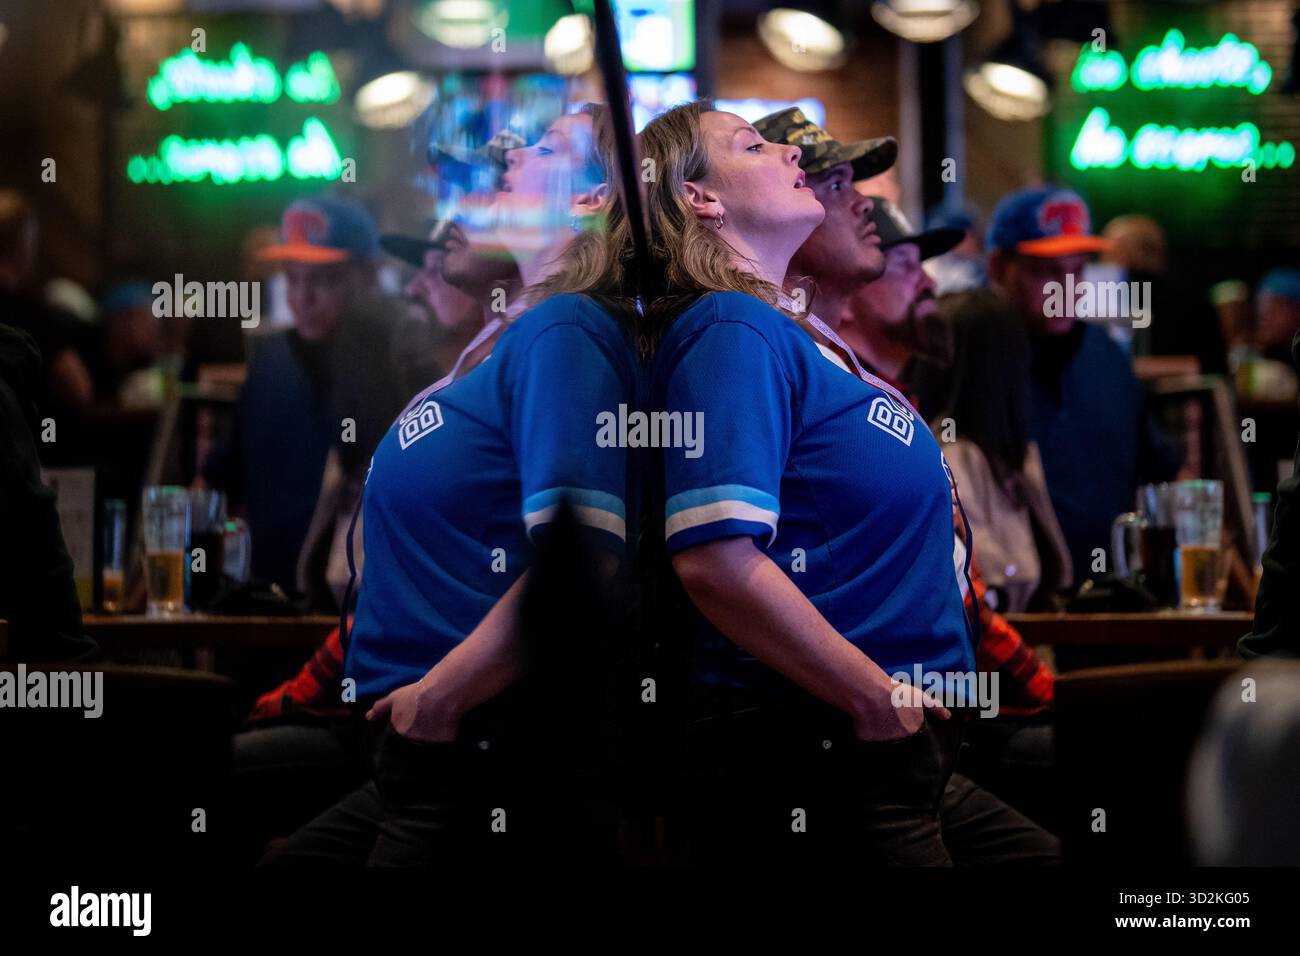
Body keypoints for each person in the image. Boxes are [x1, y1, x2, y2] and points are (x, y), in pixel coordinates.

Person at [646, 99, 1057, 864]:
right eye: (754, 145)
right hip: (820, 736)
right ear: (700, 197)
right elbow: (713, 557)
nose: (789, 157)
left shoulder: (783, 330)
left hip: (888, 738)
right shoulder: (732, 326)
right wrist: (875, 695)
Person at [262, 104, 637, 865]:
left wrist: (440, 698)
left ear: (591, 199)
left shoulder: (564, 330)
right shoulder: (519, 331)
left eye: (546, 145)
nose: (511, 154)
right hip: (428, 740)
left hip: (482, 745)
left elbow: (585, 558)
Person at [201, 197, 409, 594]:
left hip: (358, 605)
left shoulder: (397, 364)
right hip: (263, 604)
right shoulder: (271, 360)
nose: (303, 297)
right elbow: (223, 480)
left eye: (324, 279)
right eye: (292, 279)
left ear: (368, 276)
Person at [988, 185, 1180, 587]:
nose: (1067, 289)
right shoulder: (970, 362)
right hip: (1014, 611)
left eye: (1077, 271)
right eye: (1047, 272)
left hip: (1113, 606)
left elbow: (1163, 472)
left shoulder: (1107, 354)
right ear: (998, 268)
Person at [931, 290, 1073, 613]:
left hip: (1033, 647)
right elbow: (995, 584)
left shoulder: (1015, 458)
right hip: (995, 655)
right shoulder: (955, 456)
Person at [1101, 213, 1227, 375]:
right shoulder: (1196, 299)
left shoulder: (1118, 299)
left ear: (1130, 255)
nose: (1102, 261)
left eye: (1107, 252)